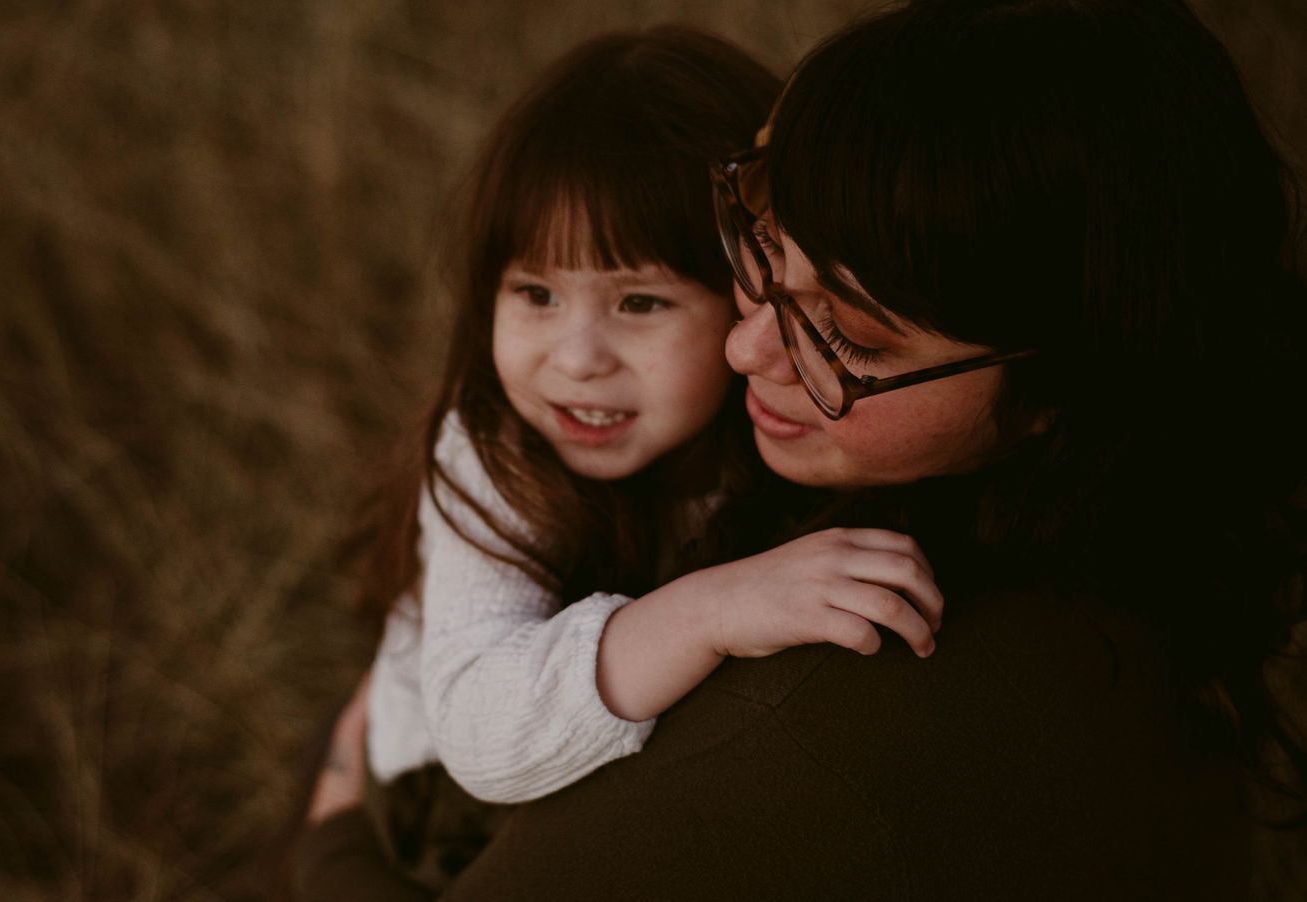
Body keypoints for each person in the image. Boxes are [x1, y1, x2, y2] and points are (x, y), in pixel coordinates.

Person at [294, 0, 1307, 897]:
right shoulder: (1148, 564)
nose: (748, 348)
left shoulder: (813, 743)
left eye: (852, 335)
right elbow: (477, 729)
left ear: (1065, 390)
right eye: (762, 251)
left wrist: (330, 839)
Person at [296, 26, 948, 894]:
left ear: (751, 290)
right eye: (535, 294)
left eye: (639, 301)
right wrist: (711, 612)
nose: (576, 358)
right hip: (438, 819)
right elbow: (483, 738)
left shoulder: (774, 434)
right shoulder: (492, 452)